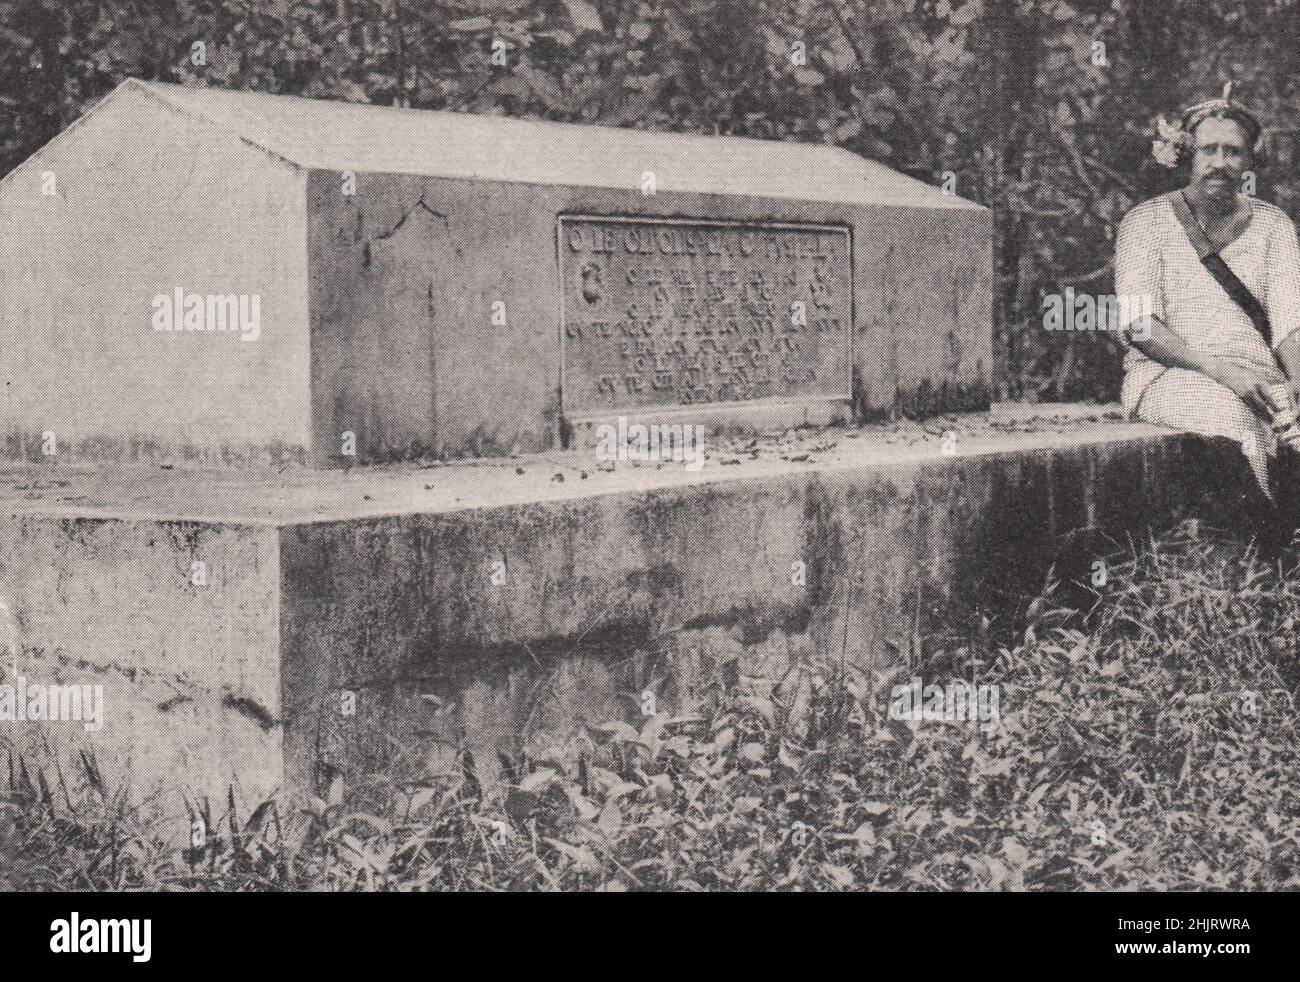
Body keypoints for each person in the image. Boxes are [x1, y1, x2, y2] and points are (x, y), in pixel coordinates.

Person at [1116, 87, 1300, 540]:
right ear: (1185, 155)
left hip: (1262, 382)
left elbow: (1289, 321)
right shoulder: (1145, 223)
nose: (1220, 162)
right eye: (1208, 150)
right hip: (1171, 377)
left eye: (1233, 151)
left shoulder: (1274, 225)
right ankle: (1267, 555)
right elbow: (1140, 326)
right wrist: (1223, 372)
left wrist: (1296, 382)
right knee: (1230, 417)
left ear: (1248, 161)